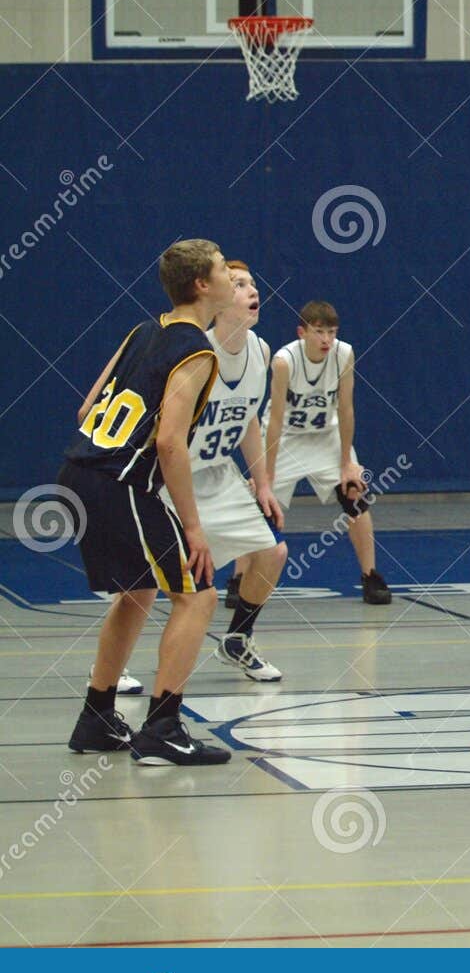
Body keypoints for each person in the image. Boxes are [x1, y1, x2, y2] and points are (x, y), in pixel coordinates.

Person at [61, 239, 235, 766]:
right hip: (118, 482)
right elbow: (168, 442)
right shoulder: (197, 351)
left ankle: (96, 717)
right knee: (199, 593)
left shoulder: (142, 331)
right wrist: (195, 527)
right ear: (203, 285)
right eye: (225, 268)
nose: (232, 275)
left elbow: (87, 408)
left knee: (136, 592)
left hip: (79, 470)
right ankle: (162, 728)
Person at [179, 260, 289, 681]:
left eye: (253, 283)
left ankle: (237, 639)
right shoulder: (196, 354)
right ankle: (109, 670)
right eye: (238, 284)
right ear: (220, 302)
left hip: (218, 472)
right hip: (175, 477)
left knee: (273, 550)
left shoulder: (261, 351)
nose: (249, 290)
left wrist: (262, 483)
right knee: (148, 579)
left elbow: (248, 421)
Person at [262, 300, 391, 605]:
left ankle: (370, 575)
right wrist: (266, 473)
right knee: (261, 505)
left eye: (331, 332)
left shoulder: (343, 354)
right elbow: (275, 418)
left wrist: (347, 462)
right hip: (287, 438)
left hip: (325, 436)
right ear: (302, 332)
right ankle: (241, 577)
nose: (326, 340)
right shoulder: (284, 361)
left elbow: (345, 409)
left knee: (355, 494)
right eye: (319, 332)